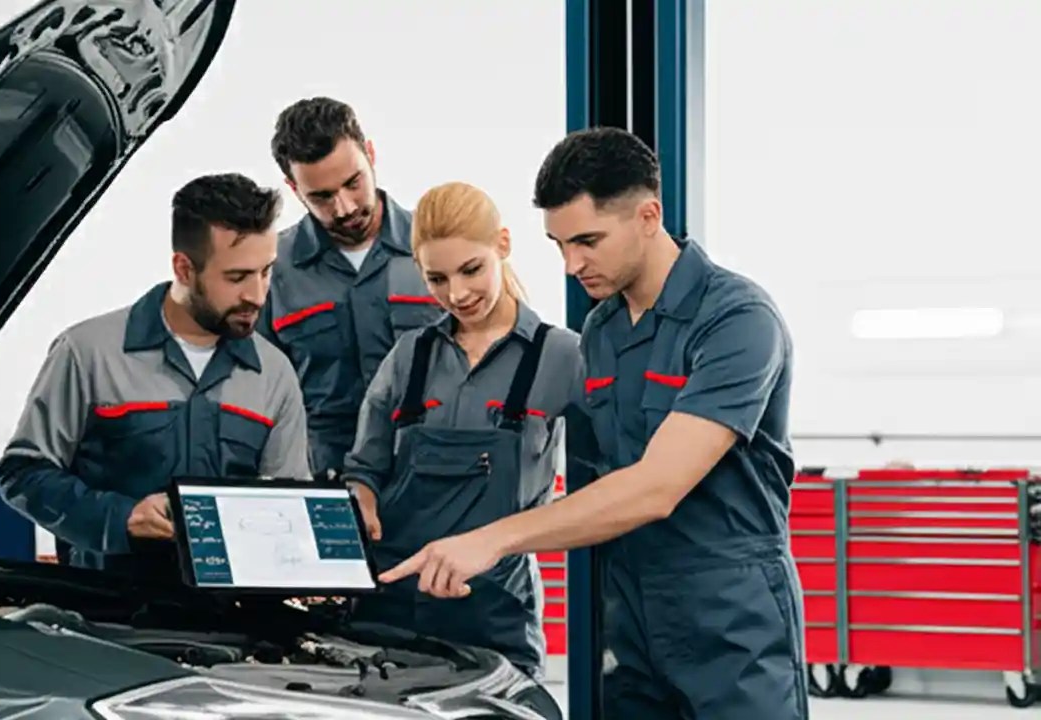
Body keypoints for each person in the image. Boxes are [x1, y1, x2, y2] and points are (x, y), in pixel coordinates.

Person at [379, 128, 805, 719]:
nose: (571, 263)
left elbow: (657, 487)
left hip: (728, 620)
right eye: (558, 244)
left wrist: (493, 538)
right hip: (628, 620)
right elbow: (589, 482)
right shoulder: (602, 331)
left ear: (648, 215)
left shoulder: (735, 320)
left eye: (587, 241)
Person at [0, 173, 311, 579]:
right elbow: (23, 475)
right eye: (236, 277)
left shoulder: (274, 373)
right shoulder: (89, 353)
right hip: (105, 621)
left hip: (232, 628)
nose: (257, 294)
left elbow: (291, 508)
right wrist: (122, 518)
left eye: (266, 271)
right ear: (184, 268)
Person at [342, 181, 580, 682]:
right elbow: (364, 468)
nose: (457, 294)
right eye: (436, 278)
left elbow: (611, 486)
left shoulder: (562, 357)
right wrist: (359, 499)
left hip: (493, 614)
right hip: (389, 610)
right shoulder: (409, 356)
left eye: (472, 270)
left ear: (503, 245)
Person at [260, 97, 443, 482]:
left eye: (353, 183)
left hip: (433, 485)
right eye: (322, 197)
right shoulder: (270, 271)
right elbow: (257, 395)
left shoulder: (441, 245)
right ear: (293, 188)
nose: (343, 208)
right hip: (326, 487)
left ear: (371, 154)